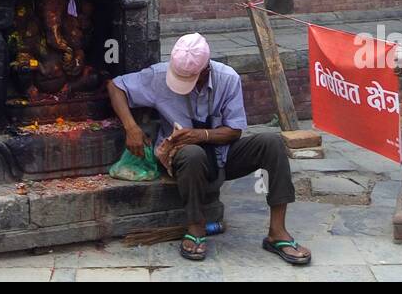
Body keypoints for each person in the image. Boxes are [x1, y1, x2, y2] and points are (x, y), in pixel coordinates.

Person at [108, 32, 311, 265]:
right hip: (181, 158)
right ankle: (196, 227)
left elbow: (235, 130)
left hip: (222, 153)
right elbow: (115, 86)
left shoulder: (228, 78)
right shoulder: (159, 75)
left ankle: (277, 232)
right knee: (192, 153)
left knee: (272, 143)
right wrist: (131, 127)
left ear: (205, 71)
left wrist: (201, 135)